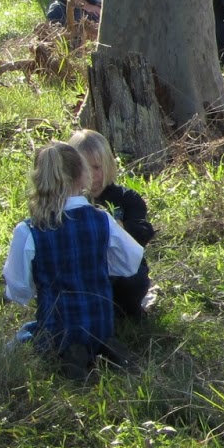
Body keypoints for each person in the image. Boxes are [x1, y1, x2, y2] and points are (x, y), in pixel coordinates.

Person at [4, 142, 144, 378]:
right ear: (82, 176)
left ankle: (70, 353)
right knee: (96, 329)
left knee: (15, 344)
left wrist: (24, 292)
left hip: (56, 328)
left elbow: (19, 289)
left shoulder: (29, 230)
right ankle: (101, 346)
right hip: (100, 323)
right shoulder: (102, 220)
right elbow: (130, 262)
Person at [68, 129, 155, 320]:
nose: (92, 177)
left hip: (121, 271)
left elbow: (143, 231)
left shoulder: (126, 198)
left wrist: (117, 228)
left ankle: (127, 313)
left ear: (109, 165)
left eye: (97, 168)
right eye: (85, 170)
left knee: (133, 280)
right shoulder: (69, 203)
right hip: (85, 271)